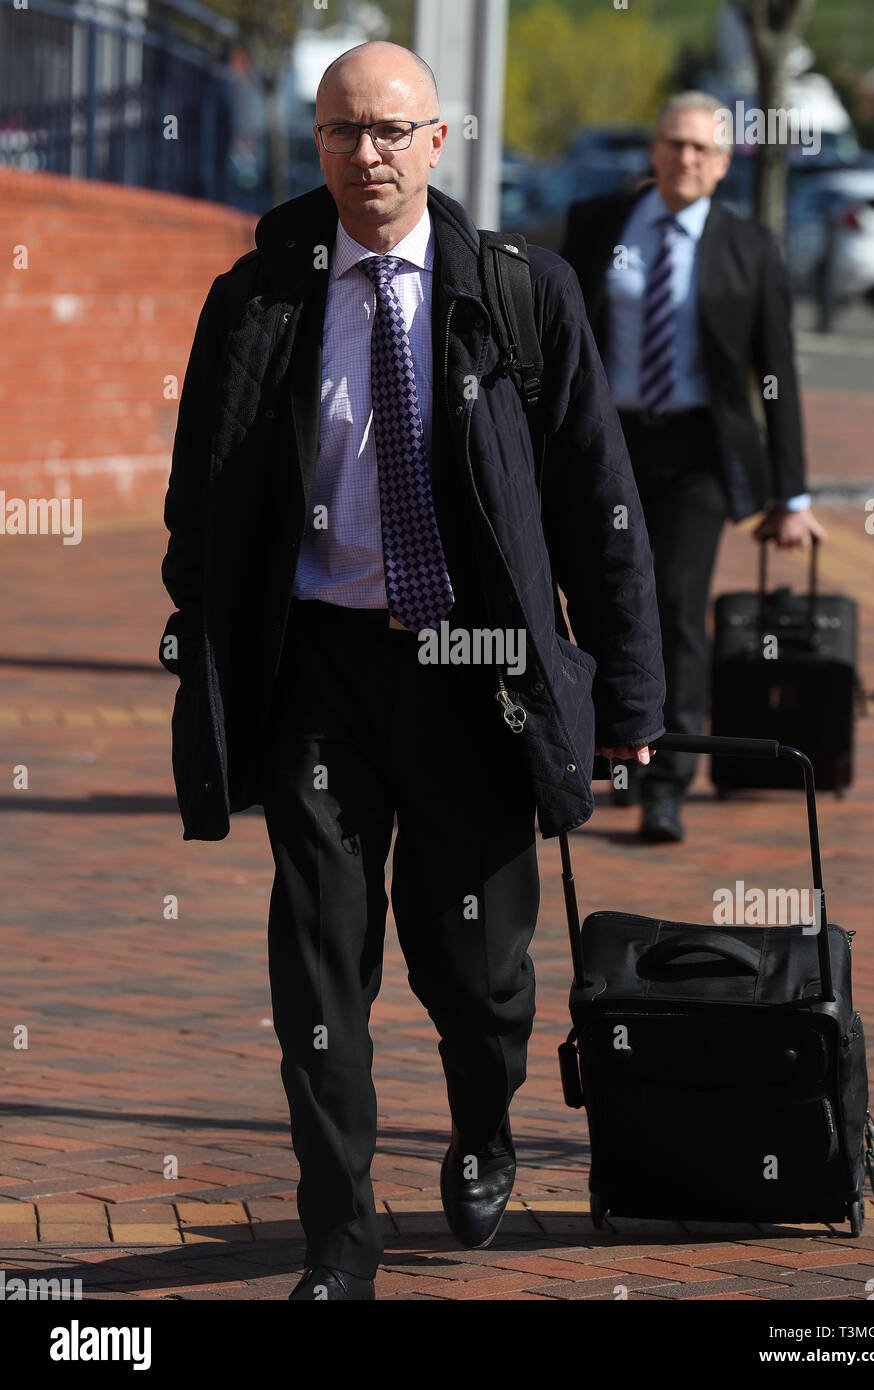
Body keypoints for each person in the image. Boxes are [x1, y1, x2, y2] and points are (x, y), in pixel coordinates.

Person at [158, 40, 664, 1301]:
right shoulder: (257, 297)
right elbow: (199, 501)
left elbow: (597, 499)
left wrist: (629, 697)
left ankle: (482, 1120)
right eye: (341, 130)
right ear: (315, 143)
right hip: (319, 674)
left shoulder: (520, 293)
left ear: (440, 142)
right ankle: (339, 1238)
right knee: (318, 965)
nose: (366, 154)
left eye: (391, 130)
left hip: (472, 671)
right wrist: (201, 637)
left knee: (476, 971)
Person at [561, 91, 826, 844]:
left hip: (697, 454)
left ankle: (666, 779)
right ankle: (609, 753)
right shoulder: (598, 223)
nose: (684, 158)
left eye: (701, 149)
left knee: (675, 606)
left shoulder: (749, 247)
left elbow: (776, 373)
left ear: (722, 164)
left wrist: (792, 493)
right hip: (606, 444)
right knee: (597, 597)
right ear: (654, 149)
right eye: (673, 143)